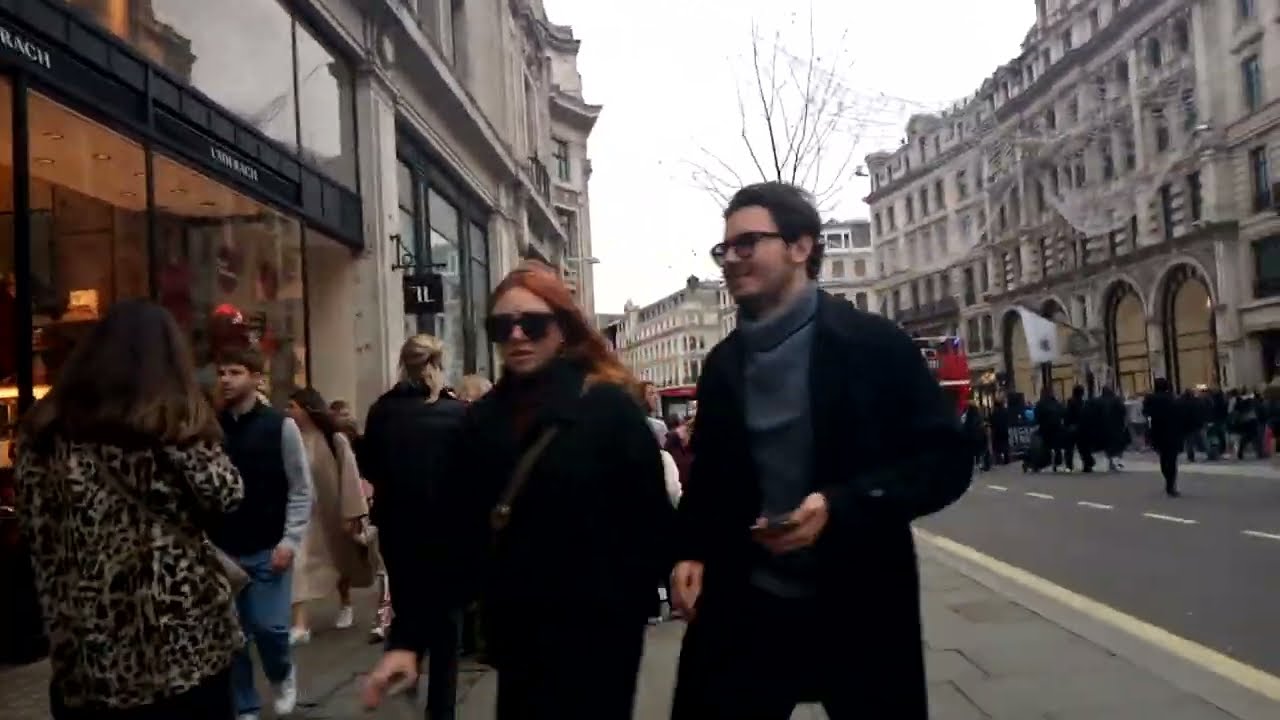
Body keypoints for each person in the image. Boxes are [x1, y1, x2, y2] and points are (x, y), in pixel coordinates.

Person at [669, 182, 972, 719]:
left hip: (860, 604)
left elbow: (946, 462)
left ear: (800, 247)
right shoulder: (722, 365)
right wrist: (690, 550)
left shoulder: (875, 346)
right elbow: (711, 480)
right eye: (725, 249)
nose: (732, 260)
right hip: (746, 604)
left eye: (748, 244)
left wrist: (841, 506)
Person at [363, 261, 672, 719]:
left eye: (533, 323)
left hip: (599, 632)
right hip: (518, 634)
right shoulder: (483, 421)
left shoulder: (607, 408)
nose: (517, 336)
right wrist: (408, 641)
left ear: (563, 328)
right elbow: (452, 538)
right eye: (502, 326)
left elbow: (651, 518)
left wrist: (628, 594)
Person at [15, 300, 244, 719]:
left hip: (85, 661)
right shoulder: (171, 425)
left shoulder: (43, 434)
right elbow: (226, 494)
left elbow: (36, 534)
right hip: (180, 654)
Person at [358, 334, 470, 720]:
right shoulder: (459, 414)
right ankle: (441, 710)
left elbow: (369, 466)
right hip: (449, 534)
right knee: (447, 627)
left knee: (408, 608)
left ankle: (406, 674)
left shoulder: (382, 412)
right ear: (439, 364)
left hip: (399, 531)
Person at [212, 348, 314, 720]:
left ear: (256, 377)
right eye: (221, 371)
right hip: (223, 551)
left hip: (269, 548)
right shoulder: (211, 426)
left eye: (235, 370)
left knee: (271, 628)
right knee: (233, 639)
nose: (225, 379)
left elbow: (301, 487)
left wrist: (290, 540)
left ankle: (282, 673)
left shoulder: (279, 426)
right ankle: (245, 706)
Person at [286, 388, 372, 645]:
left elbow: (349, 475)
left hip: (331, 509)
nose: (288, 412)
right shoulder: (290, 438)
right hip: (301, 513)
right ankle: (300, 623)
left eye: (292, 406)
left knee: (339, 560)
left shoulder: (335, 440)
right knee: (298, 563)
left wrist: (352, 512)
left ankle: (345, 602)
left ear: (307, 409)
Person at [1143, 377, 1184, 497]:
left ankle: (1167, 479)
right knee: (1172, 460)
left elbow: (1146, 413)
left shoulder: (1150, 399)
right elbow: (1180, 414)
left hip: (1158, 432)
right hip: (1172, 432)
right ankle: (1171, 484)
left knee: (1163, 457)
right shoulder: (1172, 398)